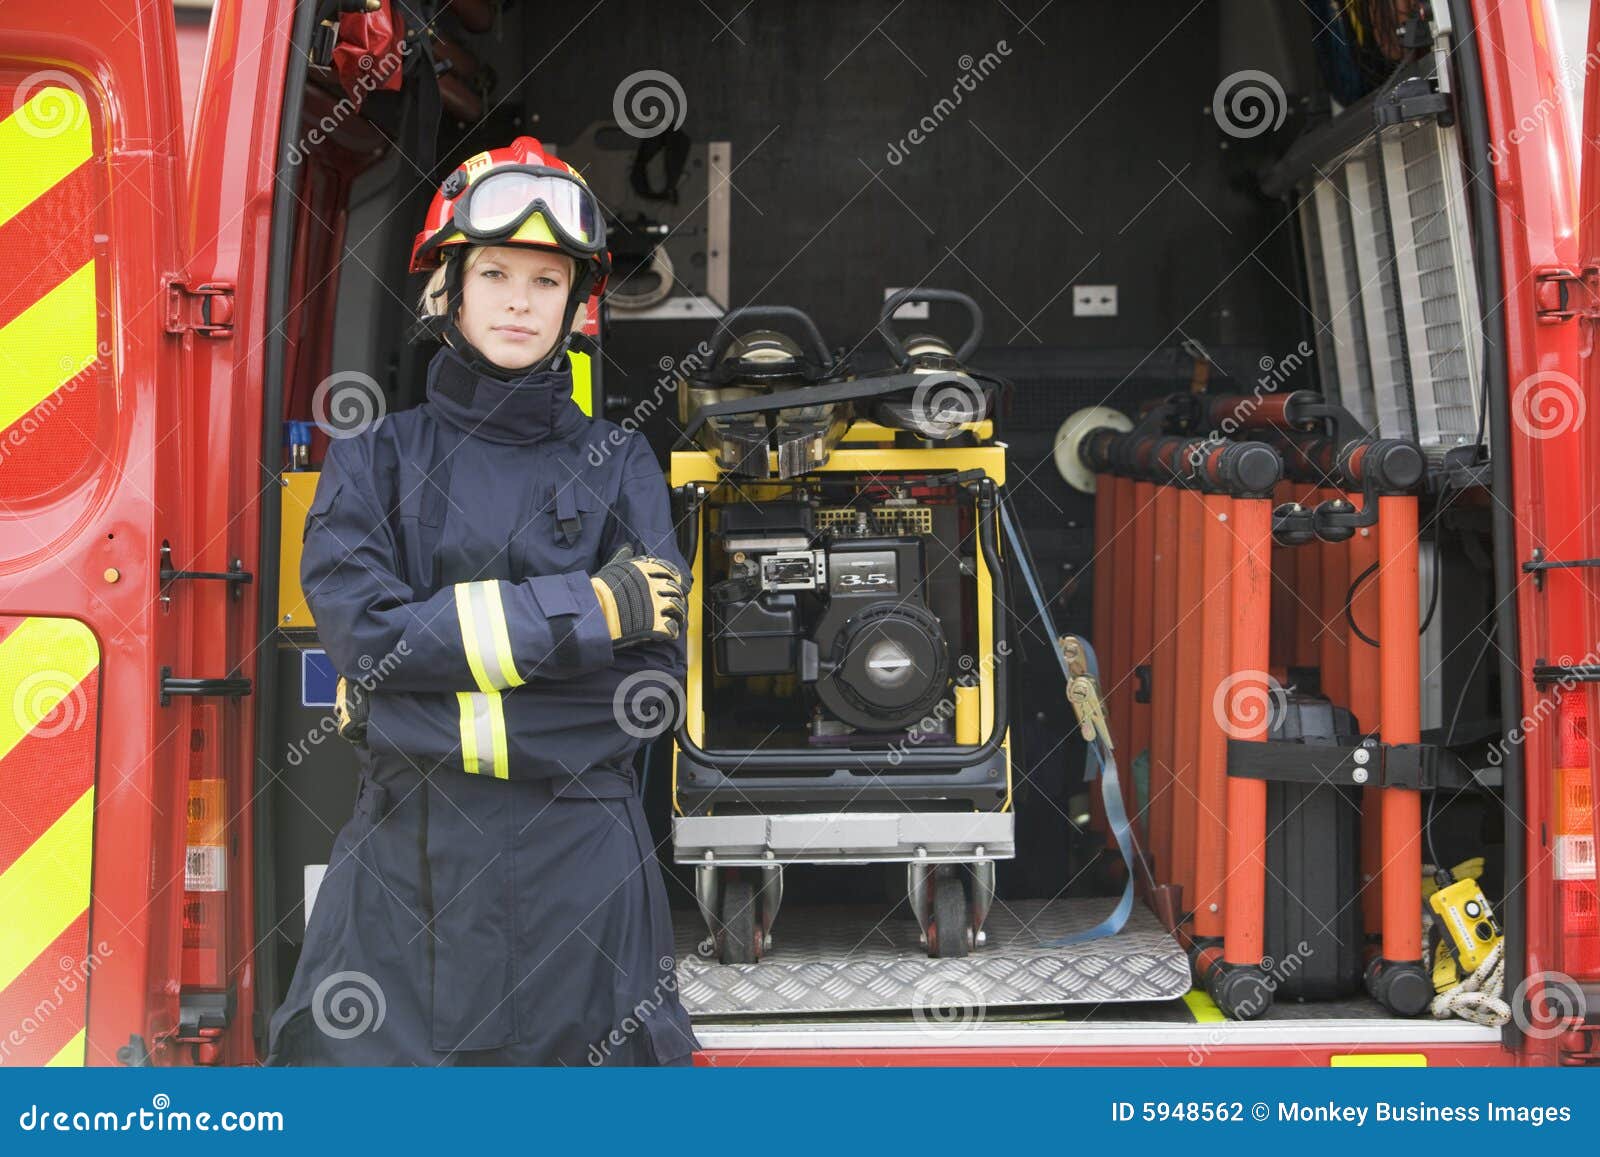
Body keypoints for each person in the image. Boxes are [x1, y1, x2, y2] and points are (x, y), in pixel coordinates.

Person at [264, 137, 701, 1066]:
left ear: (578, 305)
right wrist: (588, 610)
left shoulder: (620, 464)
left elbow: (645, 693)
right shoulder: (372, 459)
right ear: (447, 292)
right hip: (404, 876)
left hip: (583, 884)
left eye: (546, 281)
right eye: (494, 271)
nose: (517, 300)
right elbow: (364, 637)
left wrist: (404, 706)